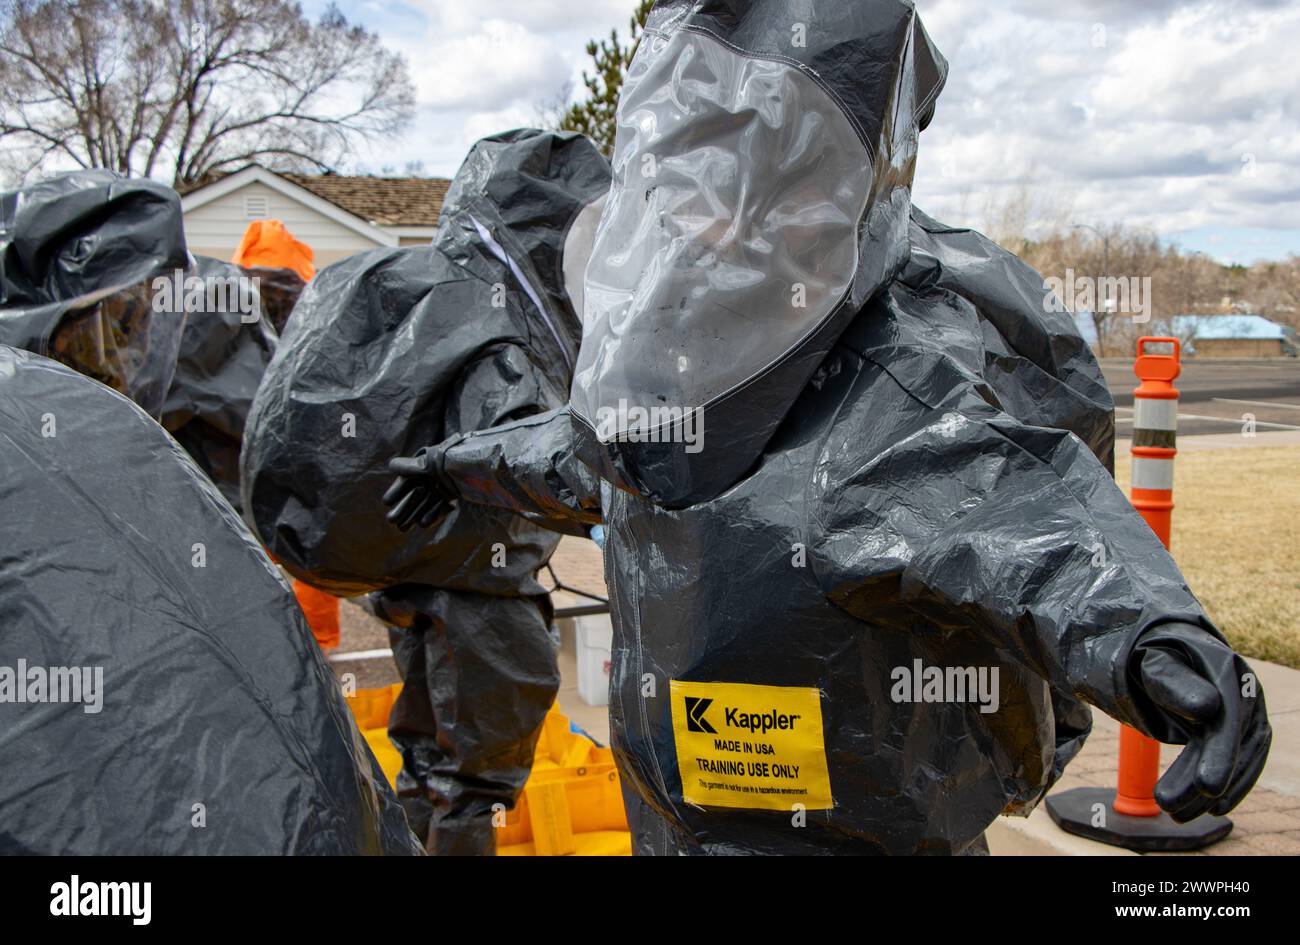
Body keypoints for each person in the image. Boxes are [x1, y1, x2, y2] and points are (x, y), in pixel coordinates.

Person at [383, 0, 1271, 855]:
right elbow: (573, 456)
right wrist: (454, 462)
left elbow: (1022, 518)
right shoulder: (658, 373)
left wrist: (1155, 641)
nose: (700, 207)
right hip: (679, 824)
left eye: (733, 171)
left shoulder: (882, 387)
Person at [242, 129, 611, 854]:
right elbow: (525, 458)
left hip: (416, 572)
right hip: (479, 590)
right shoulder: (499, 329)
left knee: (428, 754)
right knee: (473, 779)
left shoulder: (440, 300)